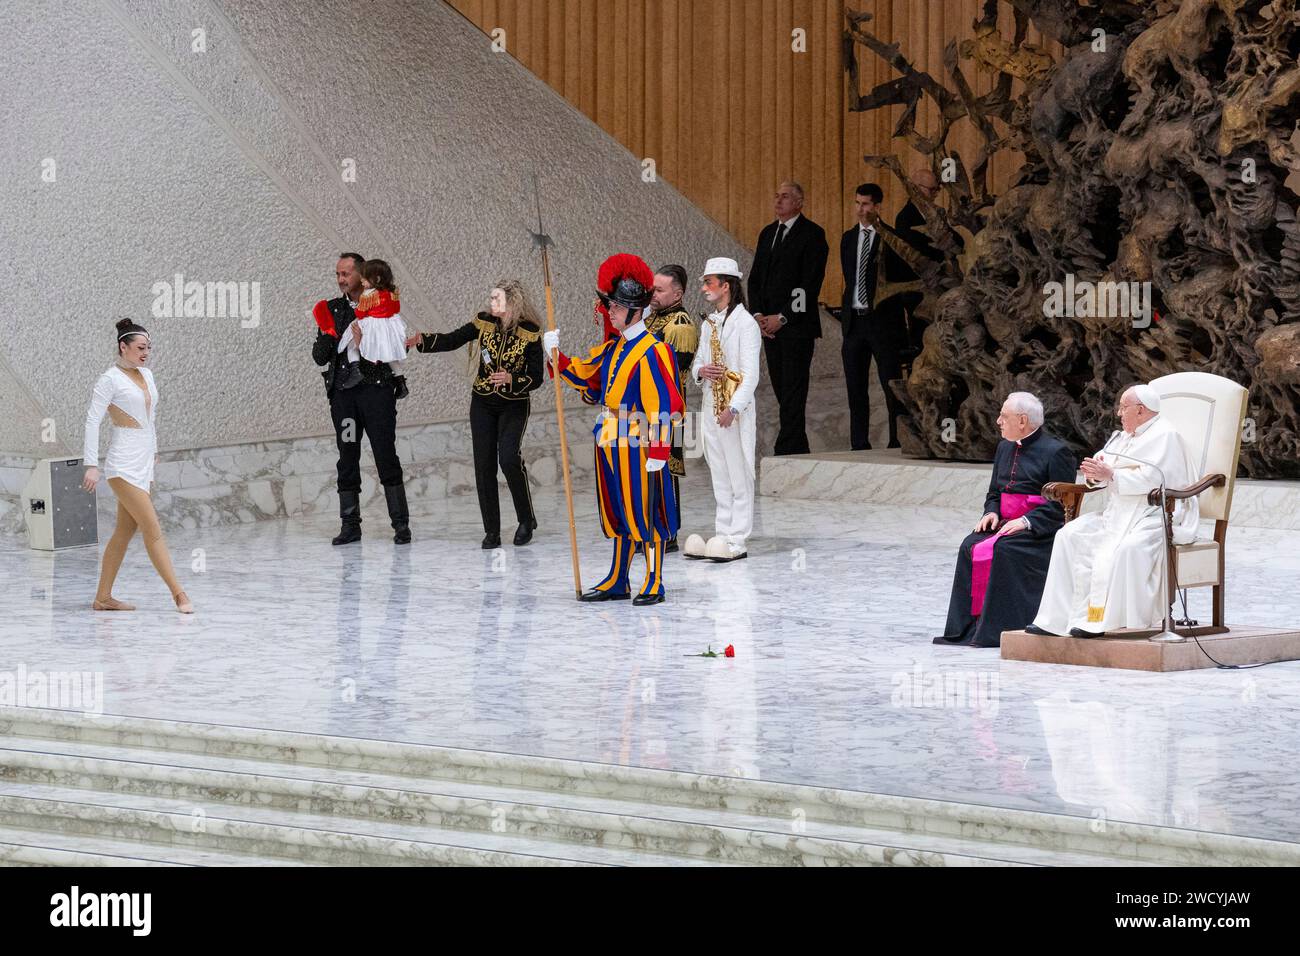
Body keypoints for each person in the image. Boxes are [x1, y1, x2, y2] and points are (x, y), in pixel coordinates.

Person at [543, 254, 684, 606]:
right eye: (611, 306)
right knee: (618, 510)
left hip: (639, 442)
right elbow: (585, 374)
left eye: (618, 308)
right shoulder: (615, 347)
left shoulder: (655, 351)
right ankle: (618, 578)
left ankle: (653, 580)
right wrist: (555, 355)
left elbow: (666, 406)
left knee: (646, 513)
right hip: (609, 438)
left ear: (636, 310)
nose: (611, 312)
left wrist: (659, 451)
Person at [1029, 384, 1200, 638]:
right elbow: (1104, 467)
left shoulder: (1166, 436)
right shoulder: (1121, 437)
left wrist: (1112, 475)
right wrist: (1095, 474)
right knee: (1068, 535)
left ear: (1140, 410)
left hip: (1152, 514)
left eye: (1123, 407)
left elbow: (1157, 481)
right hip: (1116, 513)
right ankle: (1055, 619)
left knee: (1126, 549)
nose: (1119, 413)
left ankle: (1103, 621)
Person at [405, 280, 543, 549]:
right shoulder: (483, 323)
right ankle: (492, 530)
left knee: (509, 458)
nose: (492, 305)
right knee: (484, 466)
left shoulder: (530, 333)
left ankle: (526, 520)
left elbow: (536, 377)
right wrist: (424, 341)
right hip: (482, 402)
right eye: (491, 299)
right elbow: (453, 339)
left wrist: (512, 379)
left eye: (498, 300)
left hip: (514, 404)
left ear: (513, 304)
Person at [932, 393, 1077, 647]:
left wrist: (1026, 521)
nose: (998, 421)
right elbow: (995, 493)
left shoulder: (1057, 452)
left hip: (1039, 529)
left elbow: (1061, 503)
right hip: (1003, 522)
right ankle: (969, 627)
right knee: (969, 546)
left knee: (1005, 549)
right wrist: (991, 512)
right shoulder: (1004, 447)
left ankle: (997, 629)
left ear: (1022, 421)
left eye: (1004, 416)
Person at [82, 318, 193, 614]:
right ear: (123, 347)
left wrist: (153, 454)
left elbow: (151, 419)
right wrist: (91, 464)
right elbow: (93, 420)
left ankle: (103, 597)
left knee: (123, 531)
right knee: (152, 527)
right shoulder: (109, 379)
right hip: (122, 463)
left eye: (149, 348)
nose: (146, 353)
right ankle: (179, 594)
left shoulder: (147, 374)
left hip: (144, 461)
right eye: (141, 348)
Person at [311, 253, 410, 546]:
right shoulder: (331, 309)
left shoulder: (381, 303)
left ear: (362, 274)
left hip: (376, 393)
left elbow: (395, 345)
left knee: (384, 452)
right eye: (338, 274)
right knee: (348, 454)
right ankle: (350, 525)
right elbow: (319, 357)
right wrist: (332, 333)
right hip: (345, 399)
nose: (341, 279)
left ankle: (401, 525)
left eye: (347, 273)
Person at [682, 257, 762, 562]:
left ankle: (737, 539)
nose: (703, 288)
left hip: (733, 411)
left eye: (708, 282)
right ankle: (722, 532)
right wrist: (703, 371)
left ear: (725, 286)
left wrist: (734, 408)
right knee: (719, 473)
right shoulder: (709, 324)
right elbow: (697, 365)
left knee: (739, 473)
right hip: (711, 407)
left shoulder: (747, 324)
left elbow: (751, 374)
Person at [837, 183, 921, 450]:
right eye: (857, 203)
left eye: (866, 204)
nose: (861, 209)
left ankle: (897, 440)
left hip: (883, 323)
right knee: (855, 387)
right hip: (855, 322)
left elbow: (903, 283)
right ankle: (859, 442)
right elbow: (850, 279)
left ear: (877, 207)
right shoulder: (848, 239)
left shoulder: (891, 238)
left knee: (891, 384)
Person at [748, 181, 828, 456]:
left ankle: (787, 448)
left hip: (796, 327)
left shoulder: (813, 235)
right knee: (782, 387)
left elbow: (809, 284)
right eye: (777, 195)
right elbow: (756, 278)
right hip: (768, 328)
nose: (778, 201)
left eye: (785, 197)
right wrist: (758, 316)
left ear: (798, 202)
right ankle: (797, 445)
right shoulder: (768, 233)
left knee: (794, 387)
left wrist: (782, 317)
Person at [642, 265, 699, 553]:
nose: (653, 294)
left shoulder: (680, 324)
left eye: (660, 290)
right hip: (644, 405)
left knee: (666, 466)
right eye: (653, 288)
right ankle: (649, 526)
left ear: (677, 293)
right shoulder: (651, 319)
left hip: (668, 408)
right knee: (644, 465)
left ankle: (668, 532)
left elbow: (673, 371)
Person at [893, 168, 945, 368]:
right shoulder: (905, 217)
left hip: (938, 284)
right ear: (914, 189)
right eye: (931, 190)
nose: (934, 194)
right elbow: (920, 252)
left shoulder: (934, 214)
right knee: (922, 338)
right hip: (918, 289)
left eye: (936, 190)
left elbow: (954, 240)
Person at [342, 258, 409, 399]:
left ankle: (355, 369)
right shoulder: (393, 291)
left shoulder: (368, 295)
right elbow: (396, 308)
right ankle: (401, 380)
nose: (362, 282)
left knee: (351, 343)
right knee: (390, 354)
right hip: (390, 324)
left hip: (372, 324)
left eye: (364, 280)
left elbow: (360, 313)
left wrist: (358, 308)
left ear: (376, 279)